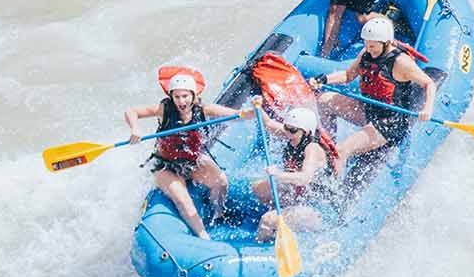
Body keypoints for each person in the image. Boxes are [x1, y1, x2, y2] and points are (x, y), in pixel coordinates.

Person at [124, 69, 244, 240]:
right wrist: (135, 129)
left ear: (193, 96)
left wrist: (252, 111)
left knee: (221, 182)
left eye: (185, 96)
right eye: (177, 96)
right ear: (171, 96)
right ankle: (204, 237)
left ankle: (218, 215)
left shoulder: (203, 109)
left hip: (192, 161)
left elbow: (236, 114)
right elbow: (131, 111)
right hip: (166, 165)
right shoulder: (164, 108)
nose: (181, 101)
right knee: (183, 201)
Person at [318, 15, 435, 168]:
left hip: (389, 121)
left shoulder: (401, 62)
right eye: (366, 45)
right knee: (323, 100)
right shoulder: (366, 52)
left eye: (373, 46)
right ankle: (328, 145)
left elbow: (429, 83)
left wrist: (427, 108)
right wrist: (323, 79)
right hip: (368, 110)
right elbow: (348, 75)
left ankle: (333, 186)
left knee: (340, 150)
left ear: (386, 43)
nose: (369, 50)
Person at [251, 105, 335, 244]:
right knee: (259, 188)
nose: (287, 133)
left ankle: (263, 240)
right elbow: (269, 124)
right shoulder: (293, 135)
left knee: (267, 220)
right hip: (301, 196)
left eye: (292, 130)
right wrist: (258, 108)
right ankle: (279, 225)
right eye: (286, 127)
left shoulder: (312, 149)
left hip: (319, 208)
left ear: (307, 132)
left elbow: (304, 178)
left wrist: (278, 174)